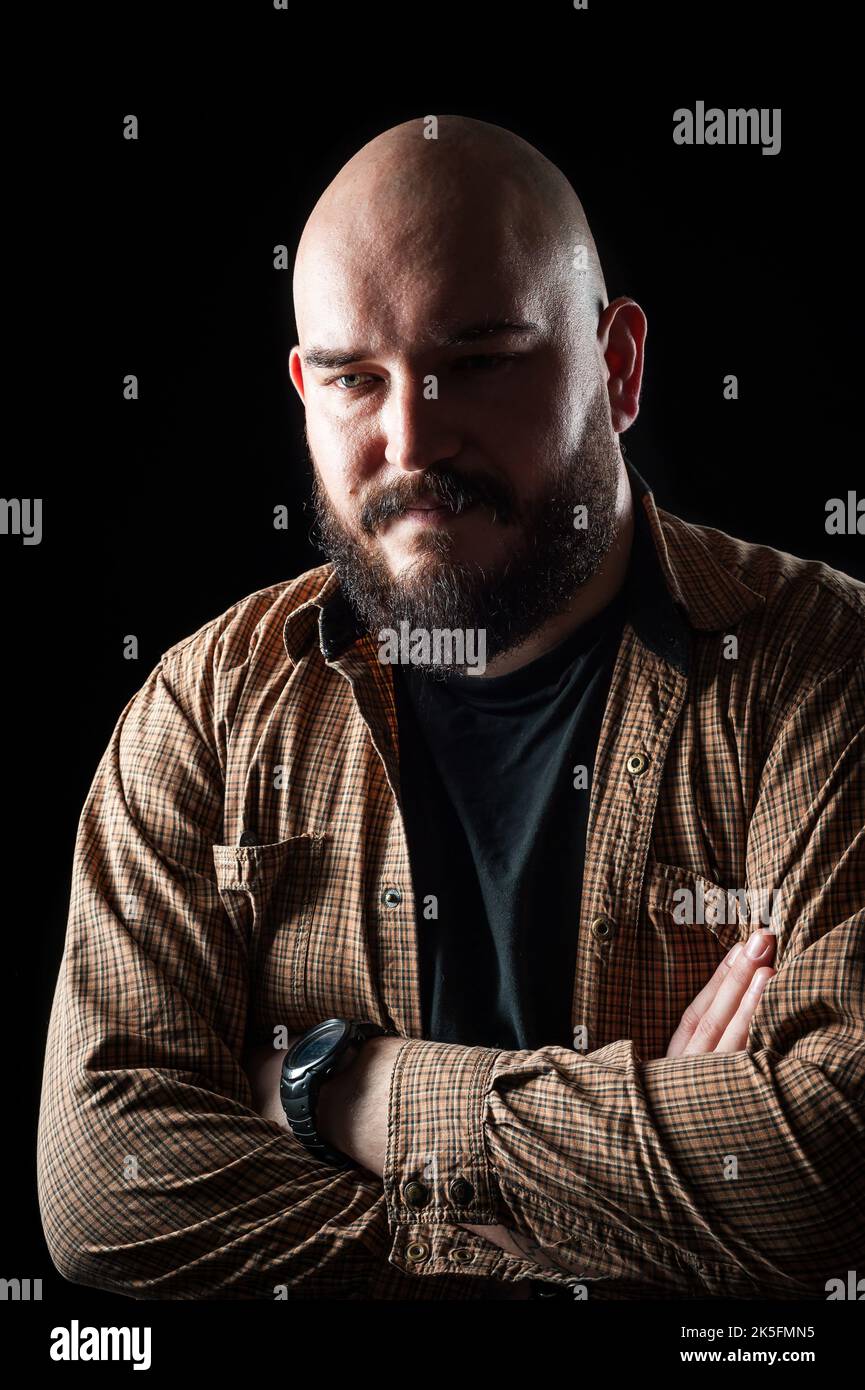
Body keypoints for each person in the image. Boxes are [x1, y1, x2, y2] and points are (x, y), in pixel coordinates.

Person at [37, 115, 864, 1301]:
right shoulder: (205, 715)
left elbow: (826, 1168)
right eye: (352, 377)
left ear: (617, 367)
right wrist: (621, 1229)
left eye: (476, 361)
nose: (410, 438)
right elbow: (100, 1186)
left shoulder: (825, 674)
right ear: (302, 388)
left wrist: (341, 1090)